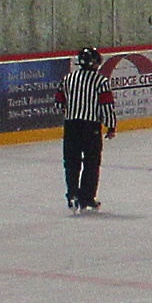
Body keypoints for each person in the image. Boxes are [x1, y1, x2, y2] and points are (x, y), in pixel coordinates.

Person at [59, 45, 117, 211]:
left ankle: (72, 194)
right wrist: (111, 126)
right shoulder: (101, 81)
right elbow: (107, 106)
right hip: (90, 127)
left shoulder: (68, 79)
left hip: (71, 126)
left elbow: (59, 101)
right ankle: (86, 198)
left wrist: (71, 112)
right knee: (91, 162)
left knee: (71, 162)